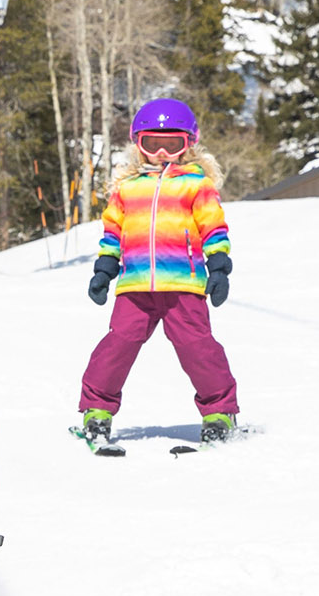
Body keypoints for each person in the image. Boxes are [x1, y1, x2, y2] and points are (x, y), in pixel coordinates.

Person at [77, 98, 239, 444]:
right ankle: (96, 410)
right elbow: (113, 233)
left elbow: (213, 228)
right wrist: (104, 270)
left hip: (184, 283)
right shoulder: (127, 187)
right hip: (135, 285)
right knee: (117, 345)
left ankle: (219, 412)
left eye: (172, 145)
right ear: (138, 145)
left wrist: (219, 268)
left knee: (197, 347)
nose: (162, 153)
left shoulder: (196, 185)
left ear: (189, 144)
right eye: (152, 144)